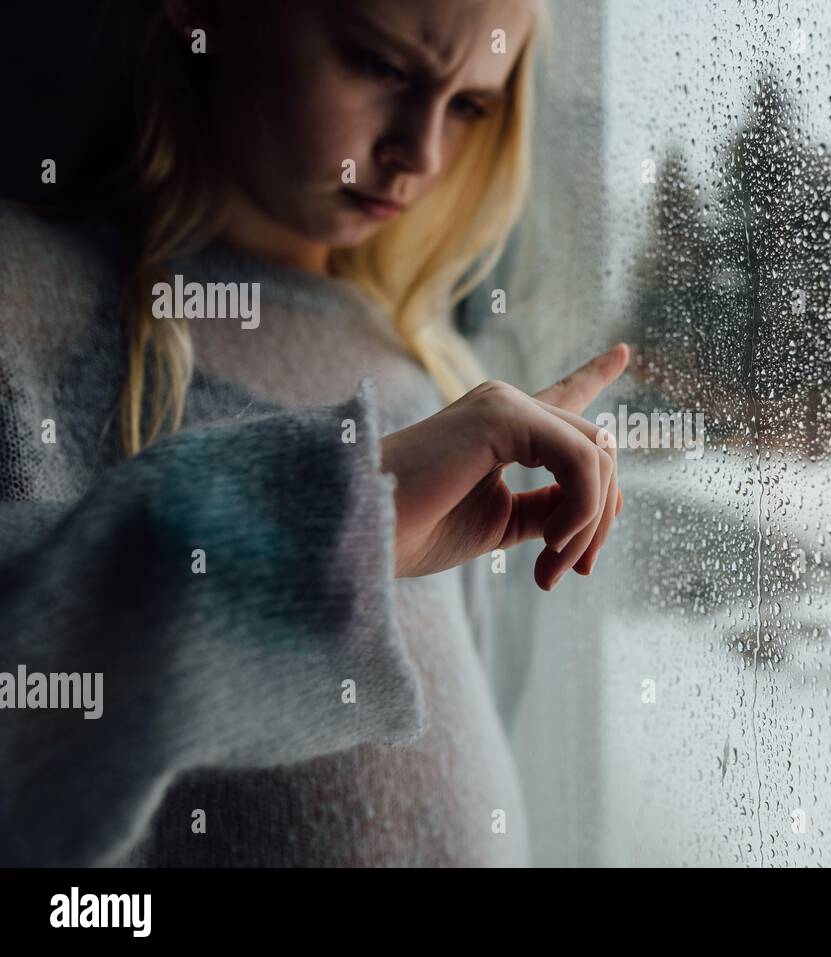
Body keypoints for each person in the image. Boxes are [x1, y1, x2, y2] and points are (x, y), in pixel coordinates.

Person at [0, 0, 625, 866]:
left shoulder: (423, 369)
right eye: (381, 66)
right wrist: (333, 519)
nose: (424, 154)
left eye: (470, 104)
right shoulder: (24, 308)